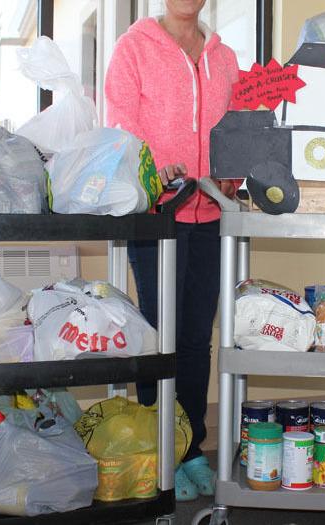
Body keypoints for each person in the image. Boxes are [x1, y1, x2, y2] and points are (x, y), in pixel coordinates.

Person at [105, 0, 240, 502]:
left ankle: (191, 446)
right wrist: (151, 169)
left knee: (196, 340)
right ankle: (160, 445)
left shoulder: (224, 57)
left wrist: (235, 171)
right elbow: (120, 130)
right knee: (160, 338)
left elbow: (236, 131)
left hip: (211, 214)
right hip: (159, 215)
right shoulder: (134, 48)